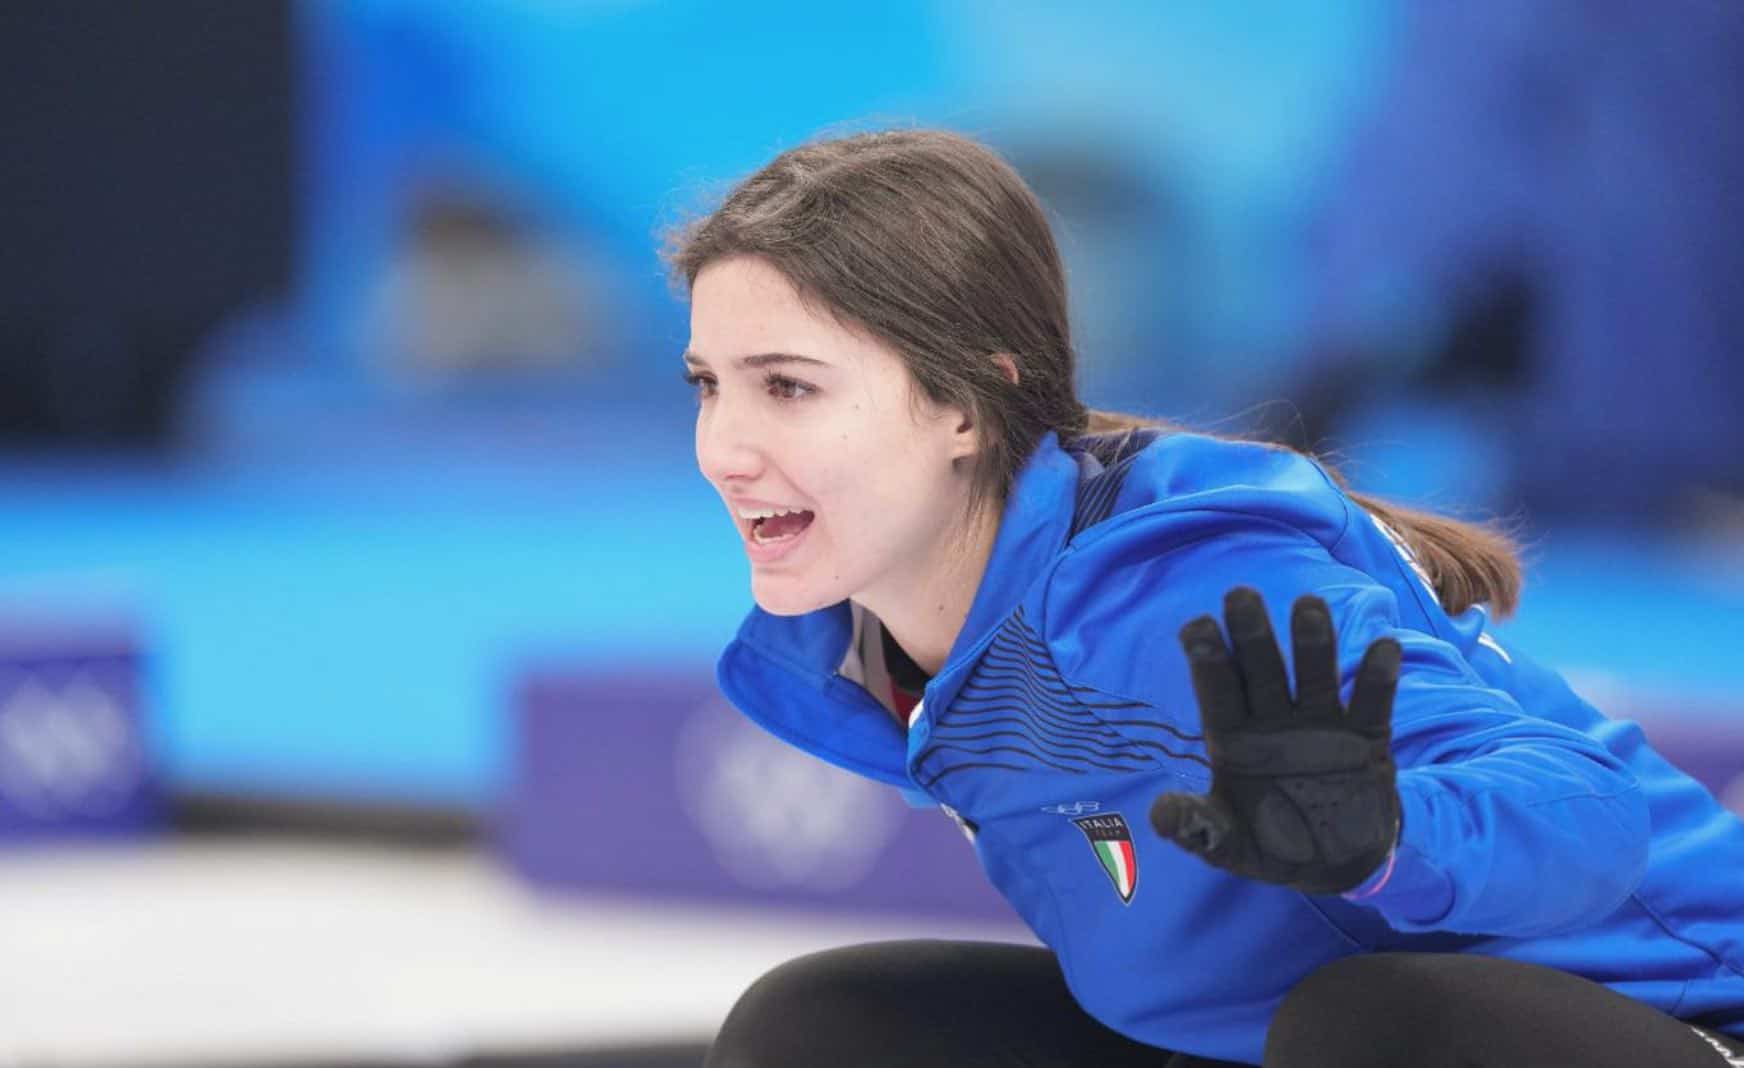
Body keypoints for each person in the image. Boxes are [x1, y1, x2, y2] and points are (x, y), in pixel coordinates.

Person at [663, 129, 1744, 1067]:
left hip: (1681, 1017)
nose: (725, 450)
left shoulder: (1188, 588)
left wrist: (1385, 835)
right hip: (1269, 1035)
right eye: (709, 385)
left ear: (963, 404)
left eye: (788, 387)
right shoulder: (866, 657)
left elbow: (1587, 808)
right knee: (823, 1033)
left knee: (1371, 1023)